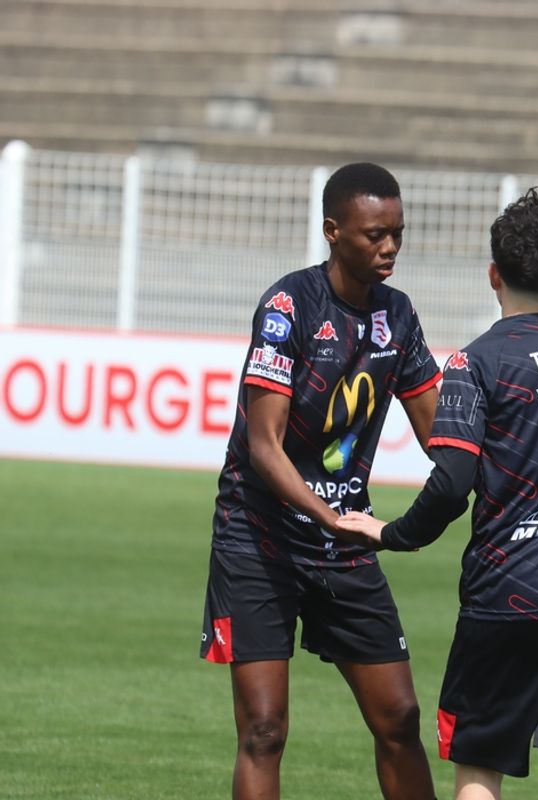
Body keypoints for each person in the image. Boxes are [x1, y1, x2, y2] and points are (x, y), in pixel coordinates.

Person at [336, 187, 538, 800]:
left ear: (493, 275)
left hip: (513, 595)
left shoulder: (475, 364)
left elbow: (452, 482)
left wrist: (392, 534)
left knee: (479, 770)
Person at [198, 162, 441, 800]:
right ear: (333, 231)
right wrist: (326, 515)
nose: (388, 247)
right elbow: (263, 447)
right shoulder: (289, 307)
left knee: (401, 719)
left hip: (346, 542)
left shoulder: (400, 315)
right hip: (260, 540)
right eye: (372, 234)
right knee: (264, 730)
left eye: (397, 232)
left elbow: (441, 434)